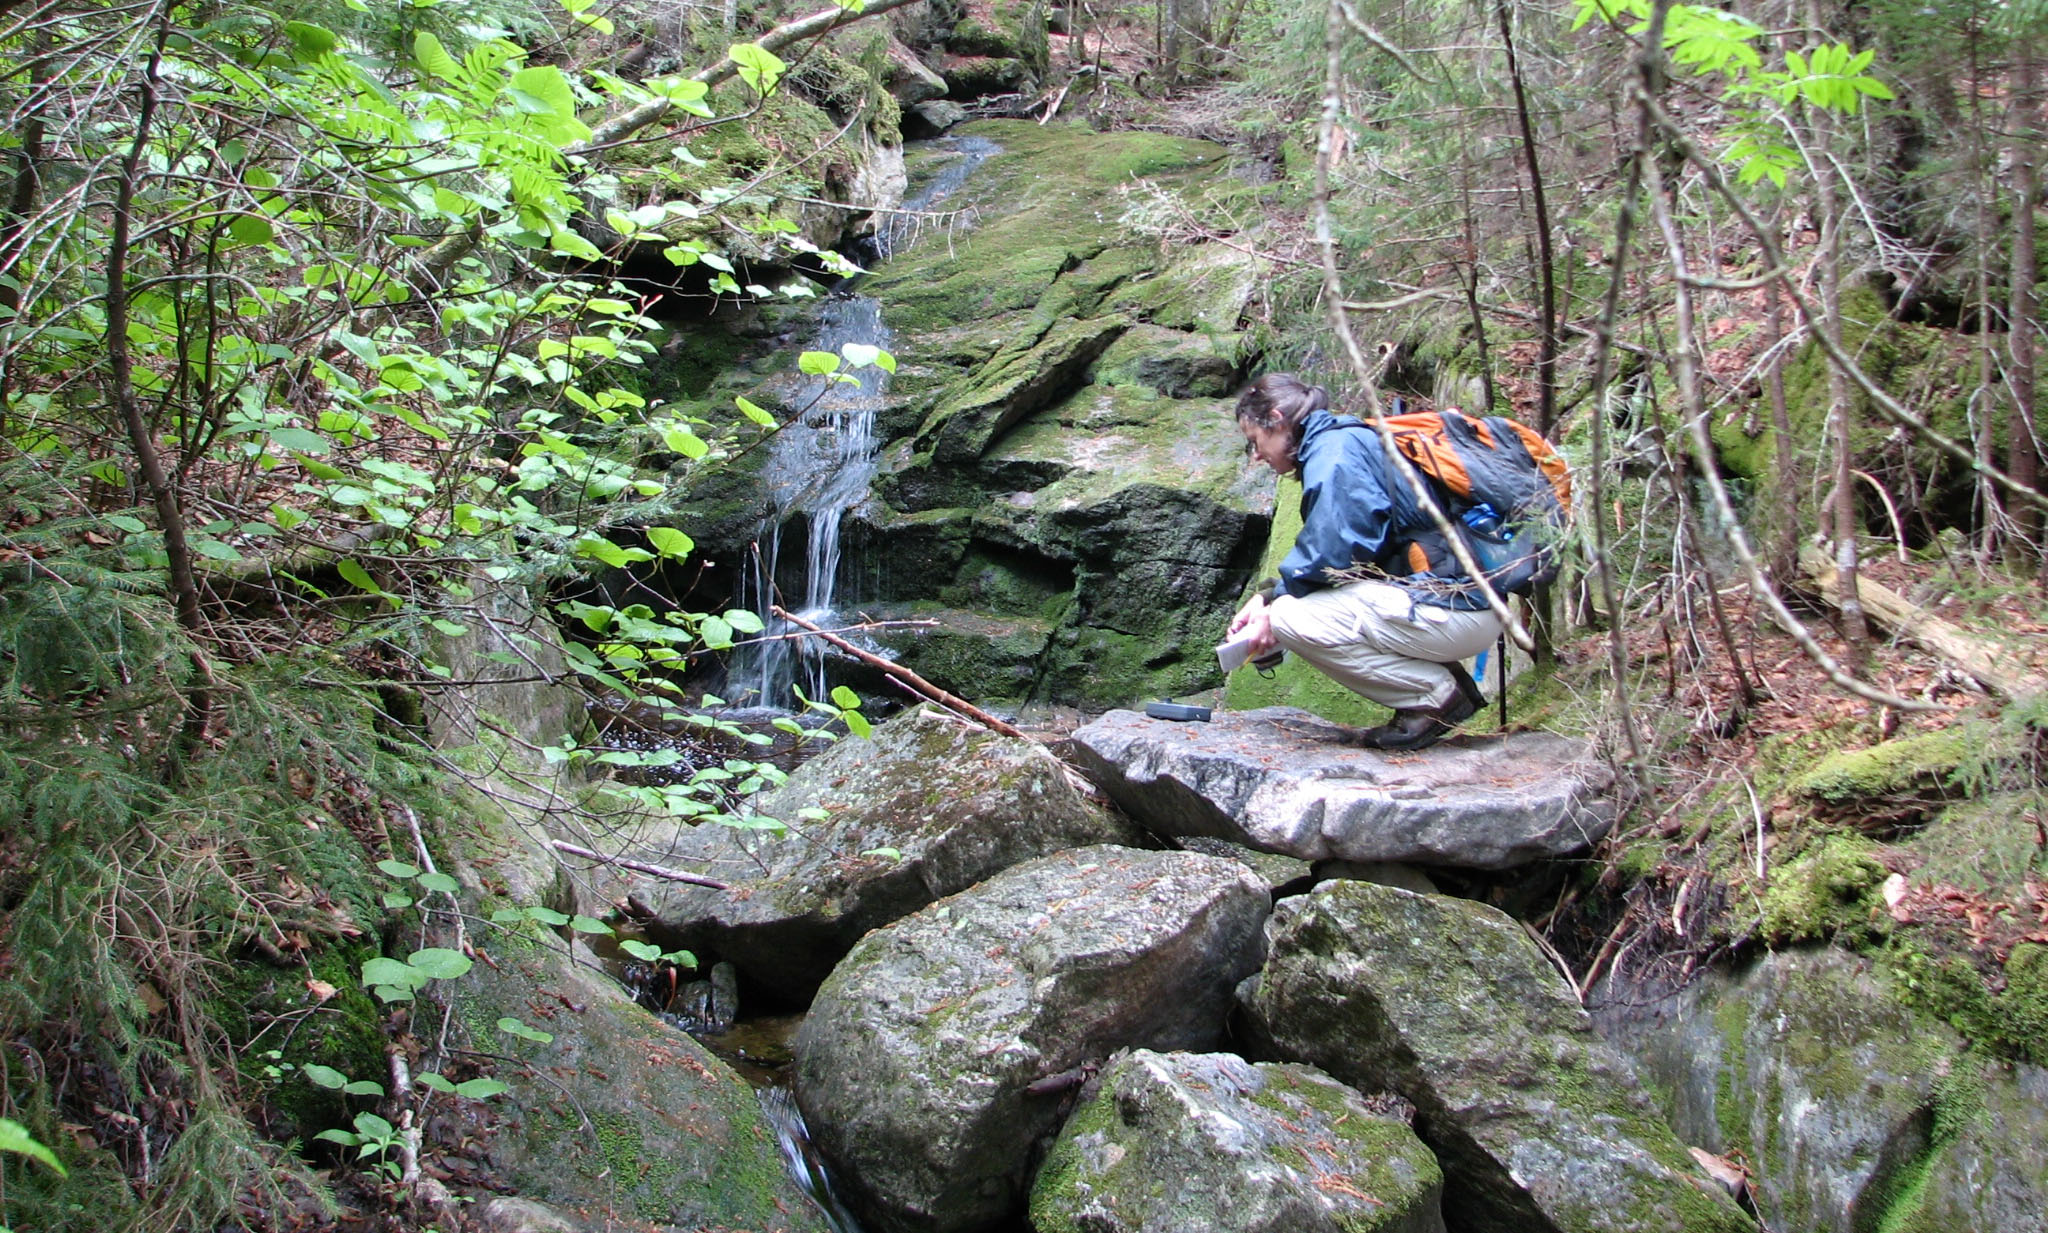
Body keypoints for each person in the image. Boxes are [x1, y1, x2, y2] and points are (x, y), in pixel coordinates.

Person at [1227, 373, 1497, 750]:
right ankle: (1439, 690)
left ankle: (1436, 696)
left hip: (1456, 609)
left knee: (1289, 617)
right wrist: (1268, 596)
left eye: (1255, 441)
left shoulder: (1334, 452)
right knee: (1286, 609)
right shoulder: (1346, 441)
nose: (1256, 455)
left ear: (1277, 418)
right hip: (1462, 605)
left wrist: (1273, 605)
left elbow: (1339, 545)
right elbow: (1345, 559)